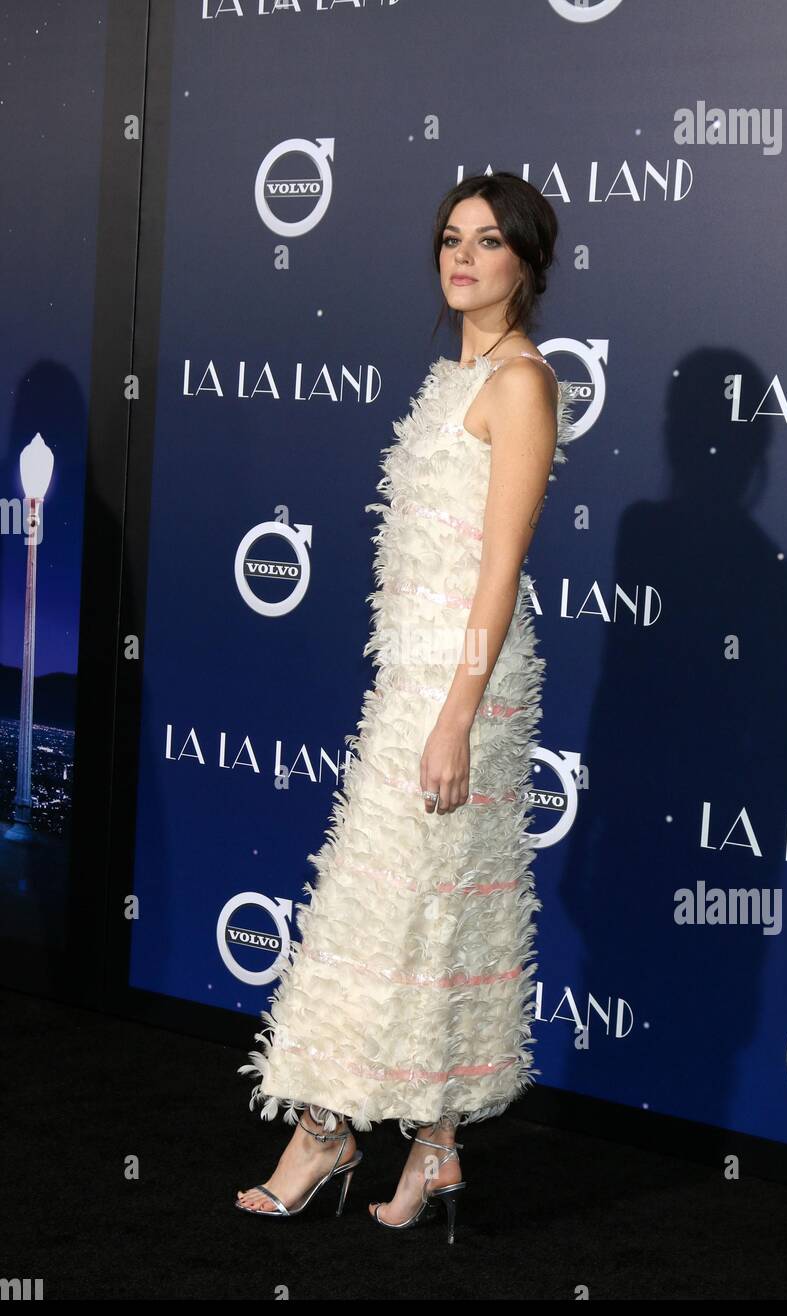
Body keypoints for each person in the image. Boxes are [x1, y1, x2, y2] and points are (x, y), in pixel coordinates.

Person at [235, 171, 579, 1243]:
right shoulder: (452, 378)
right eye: (448, 238)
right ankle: (433, 1146)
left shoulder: (520, 381)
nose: (461, 256)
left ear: (527, 259)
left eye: (486, 241)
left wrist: (454, 713)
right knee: (423, 906)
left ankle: (324, 1127)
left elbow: (499, 567)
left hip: (460, 679)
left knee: (391, 904)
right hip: (416, 672)